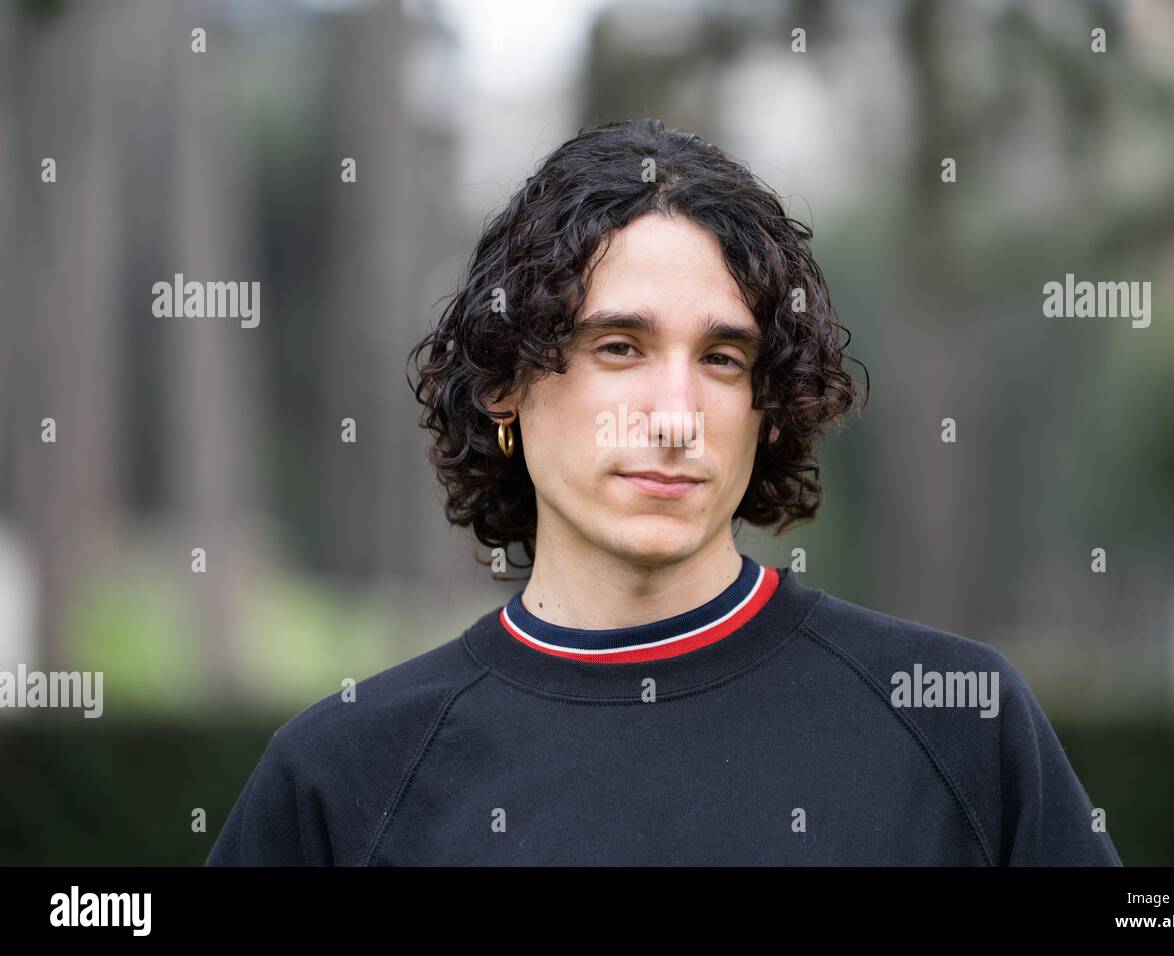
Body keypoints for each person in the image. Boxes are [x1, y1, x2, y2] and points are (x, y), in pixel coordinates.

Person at [206, 118, 1121, 866]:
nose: (677, 416)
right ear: (504, 385)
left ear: (767, 406)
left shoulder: (958, 720)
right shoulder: (342, 776)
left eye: (722, 360)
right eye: (620, 348)